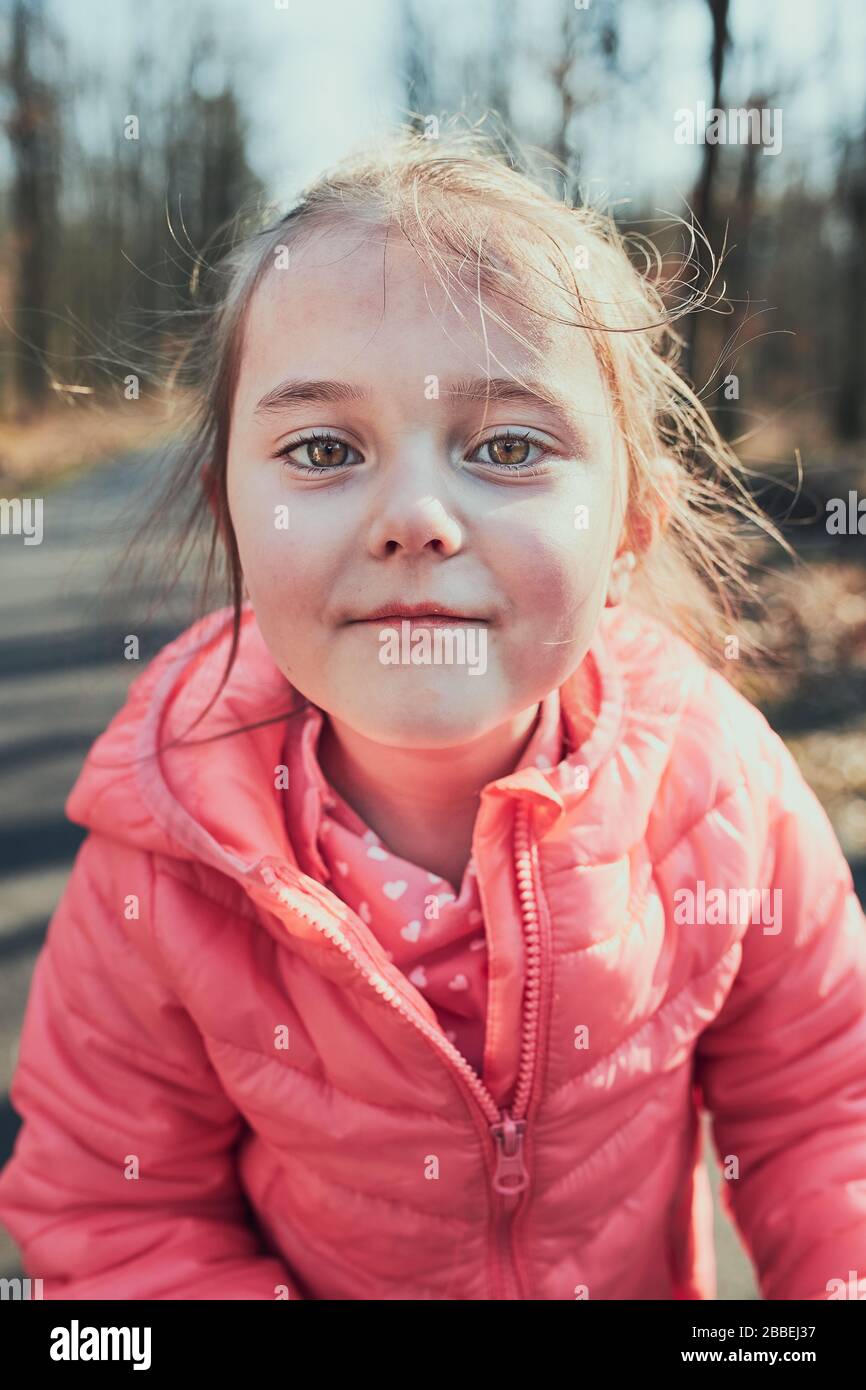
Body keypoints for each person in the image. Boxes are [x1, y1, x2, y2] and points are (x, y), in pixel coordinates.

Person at [1, 123, 864, 1301]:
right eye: (321, 446)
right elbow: (114, 1207)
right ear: (234, 517)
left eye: (506, 444)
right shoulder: (166, 860)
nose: (413, 515)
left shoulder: (719, 794)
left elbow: (826, 1116)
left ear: (626, 532)